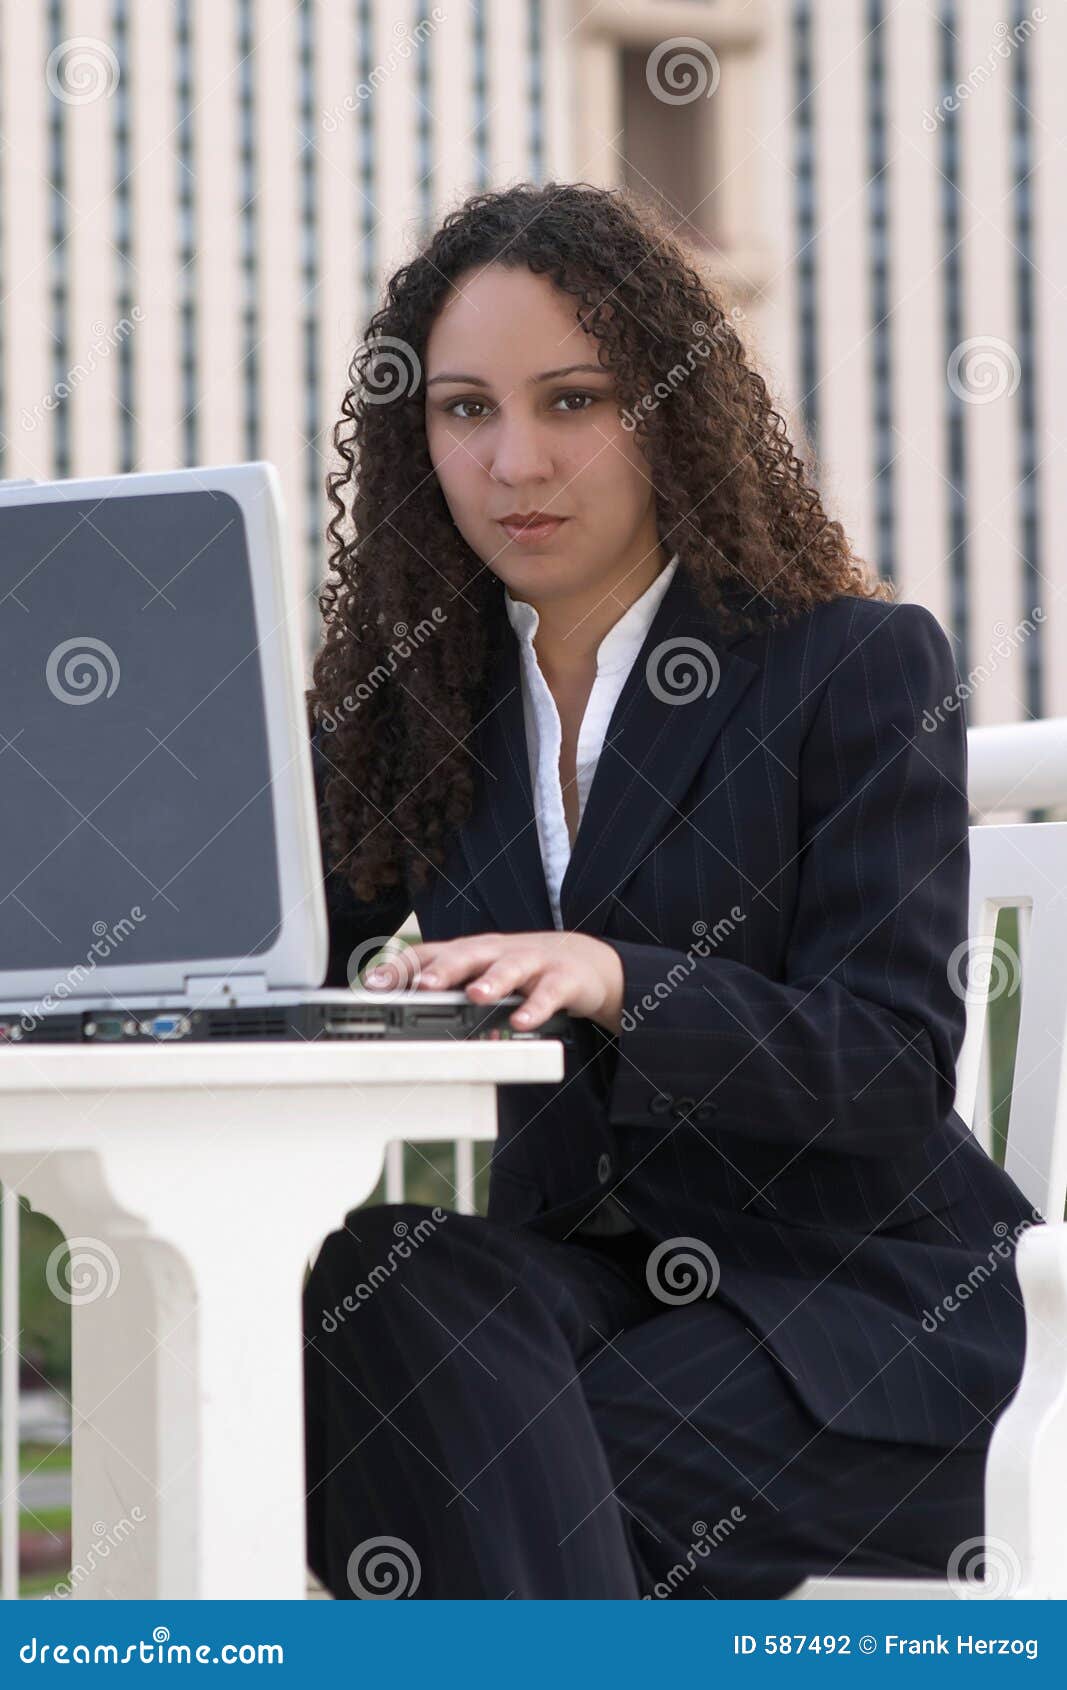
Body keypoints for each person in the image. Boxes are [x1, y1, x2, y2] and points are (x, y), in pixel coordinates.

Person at [301, 181, 1041, 1600]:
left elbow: (889, 1066)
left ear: (670, 411)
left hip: (863, 1322)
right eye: (465, 410)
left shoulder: (849, 667)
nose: (516, 459)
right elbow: (265, 950)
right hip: (587, 1310)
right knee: (368, 1287)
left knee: (458, 1455)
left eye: (573, 401)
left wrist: (626, 978)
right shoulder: (418, 717)